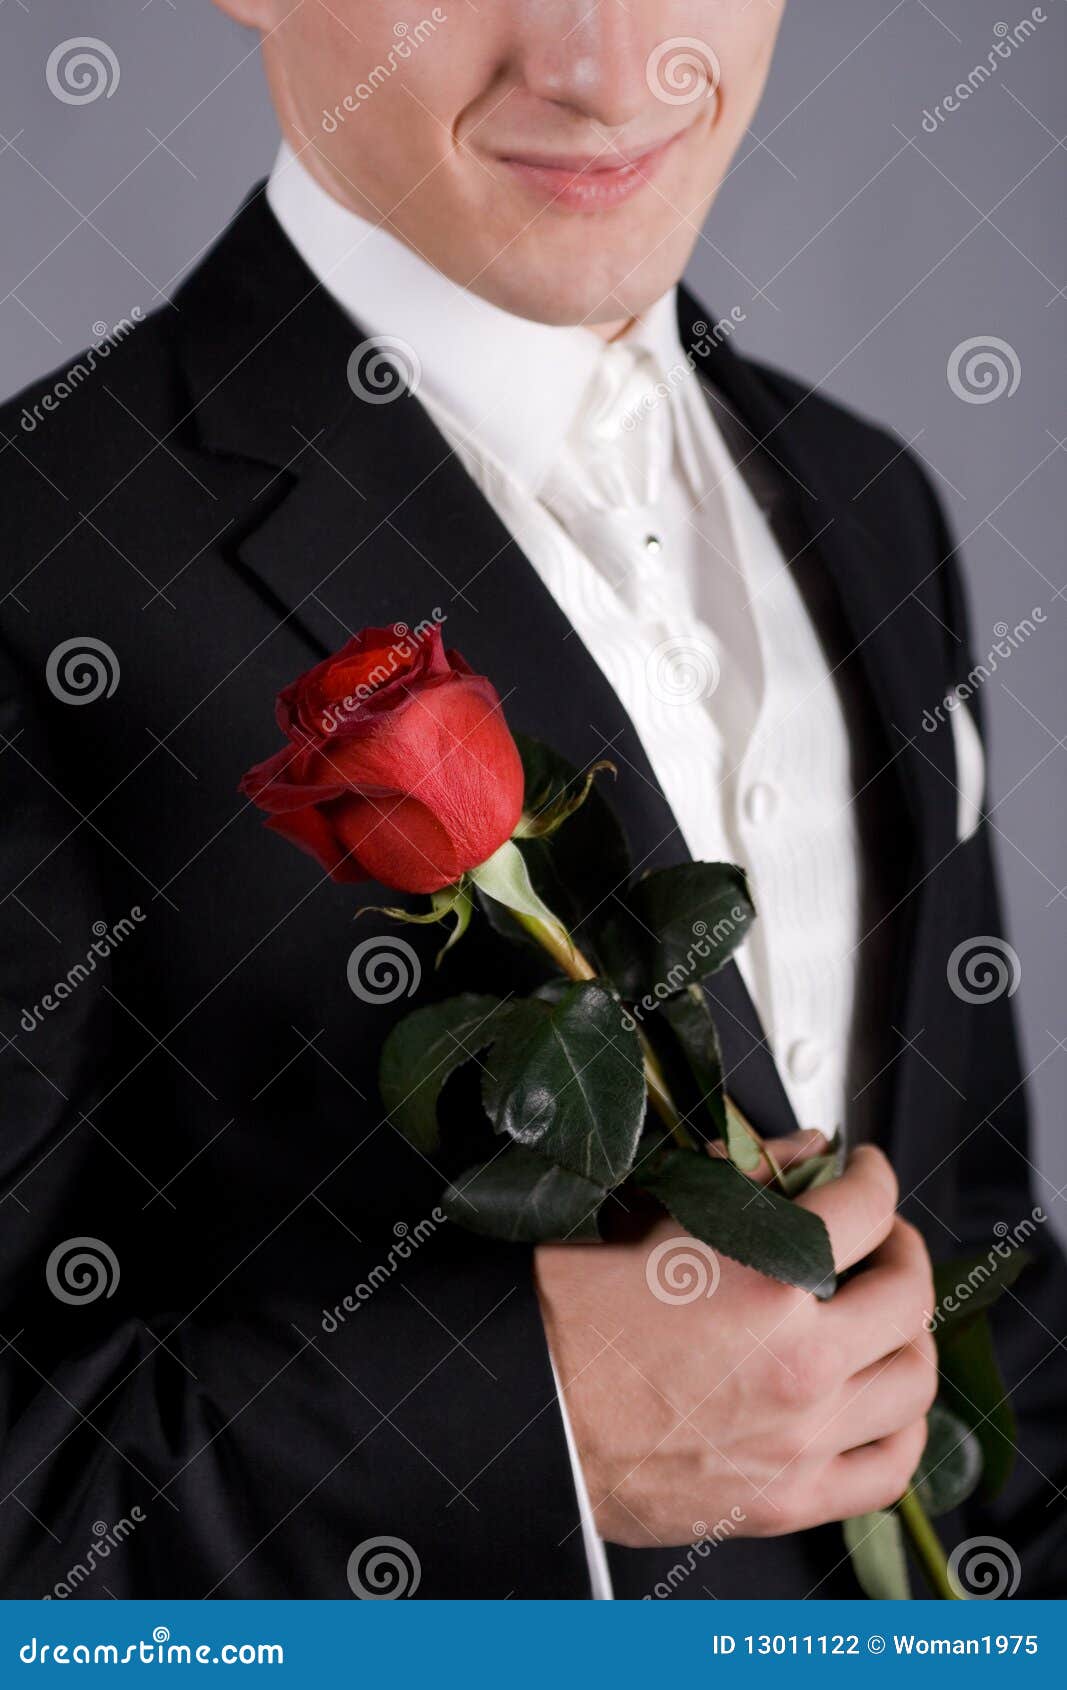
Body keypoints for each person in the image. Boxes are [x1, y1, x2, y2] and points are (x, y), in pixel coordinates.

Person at [0, 0, 1062, 1599]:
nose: (608, 69)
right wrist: (530, 1434)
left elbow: (978, 1251)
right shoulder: (36, 557)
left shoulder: (868, 498)